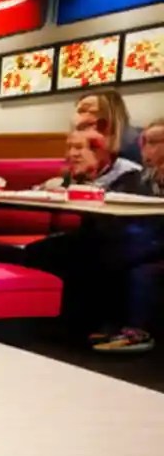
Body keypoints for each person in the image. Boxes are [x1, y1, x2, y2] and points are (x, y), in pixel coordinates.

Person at [88, 118, 164, 352]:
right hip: (152, 239)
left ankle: (137, 332)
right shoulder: (141, 177)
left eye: (153, 142)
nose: (146, 150)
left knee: (131, 255)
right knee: (108, 246)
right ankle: (112, 324)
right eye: (144, 142)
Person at [37, 126, 139, 191]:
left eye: (79, 148)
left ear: (100, 152)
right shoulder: (73, 174)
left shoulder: (129, 174)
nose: (72, 154)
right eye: (69, 148)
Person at [75, 88, 142, 164]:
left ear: (110, 113)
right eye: (79, 112)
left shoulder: (132, 146)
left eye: (84, 111)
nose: (78, 117)